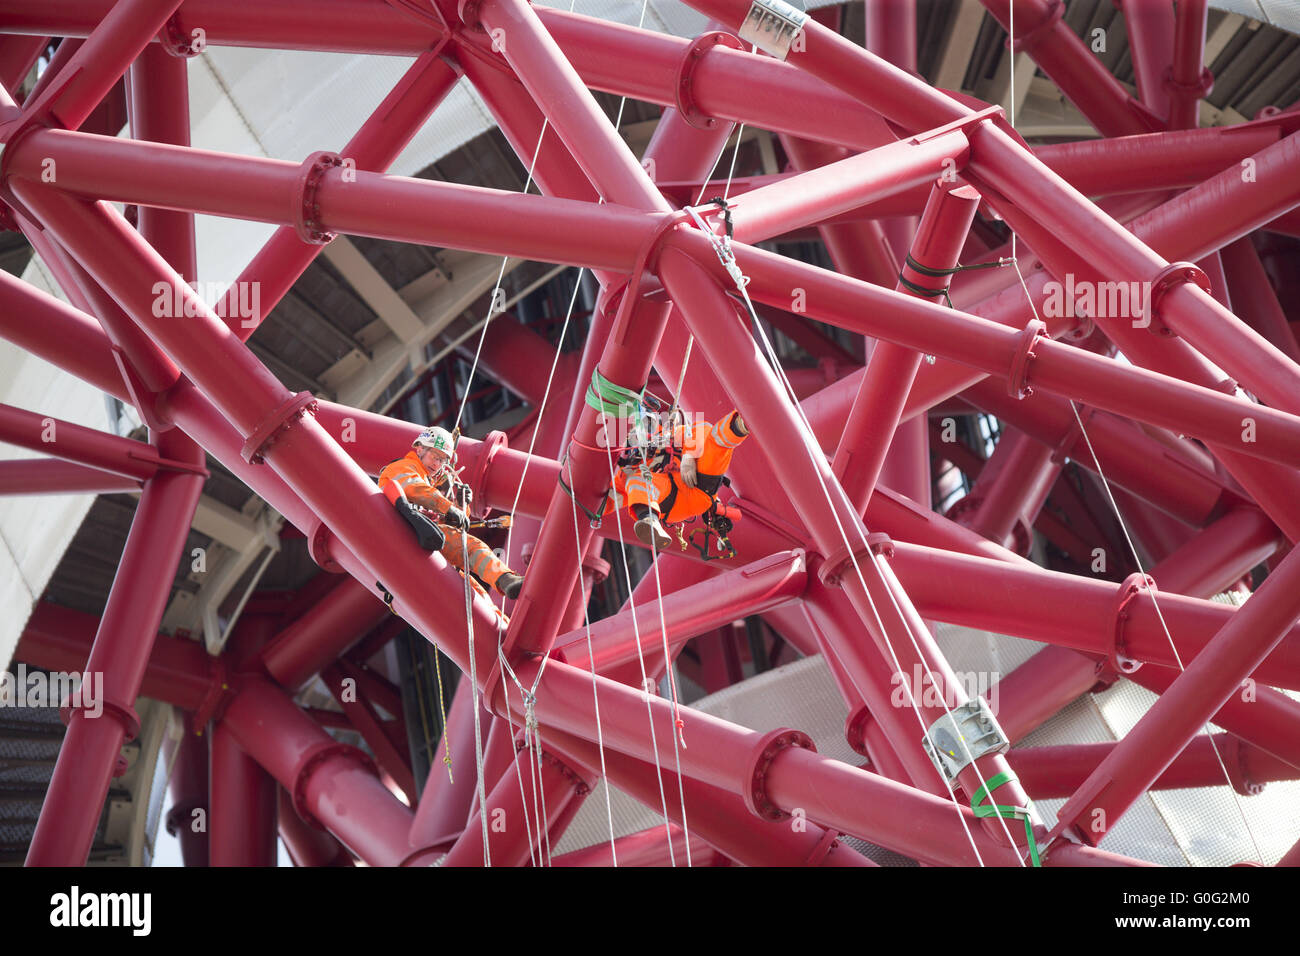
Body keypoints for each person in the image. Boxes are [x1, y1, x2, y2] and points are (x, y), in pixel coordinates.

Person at [378, 426, 525, 599]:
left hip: (421, 539)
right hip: (405, 537)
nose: (437, 464)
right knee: (471, 548)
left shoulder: (428, 481)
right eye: (435, 456)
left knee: (475, 594)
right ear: (420, 448)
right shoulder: (403, 467)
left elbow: (448, 523)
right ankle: (505, 579)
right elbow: (414, 489)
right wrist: (449, 508)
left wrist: (461, 505)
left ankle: (502, 611)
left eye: (442, 460)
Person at [605, 408, 748, 550]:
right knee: (637, 481)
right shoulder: (628, 473)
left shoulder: (670, 435)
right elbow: (606, 499)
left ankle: (742, 422)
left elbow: (703, 430)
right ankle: (649, 520)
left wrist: (689, 456)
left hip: (698, 486)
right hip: (673, 500)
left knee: (715, 441)